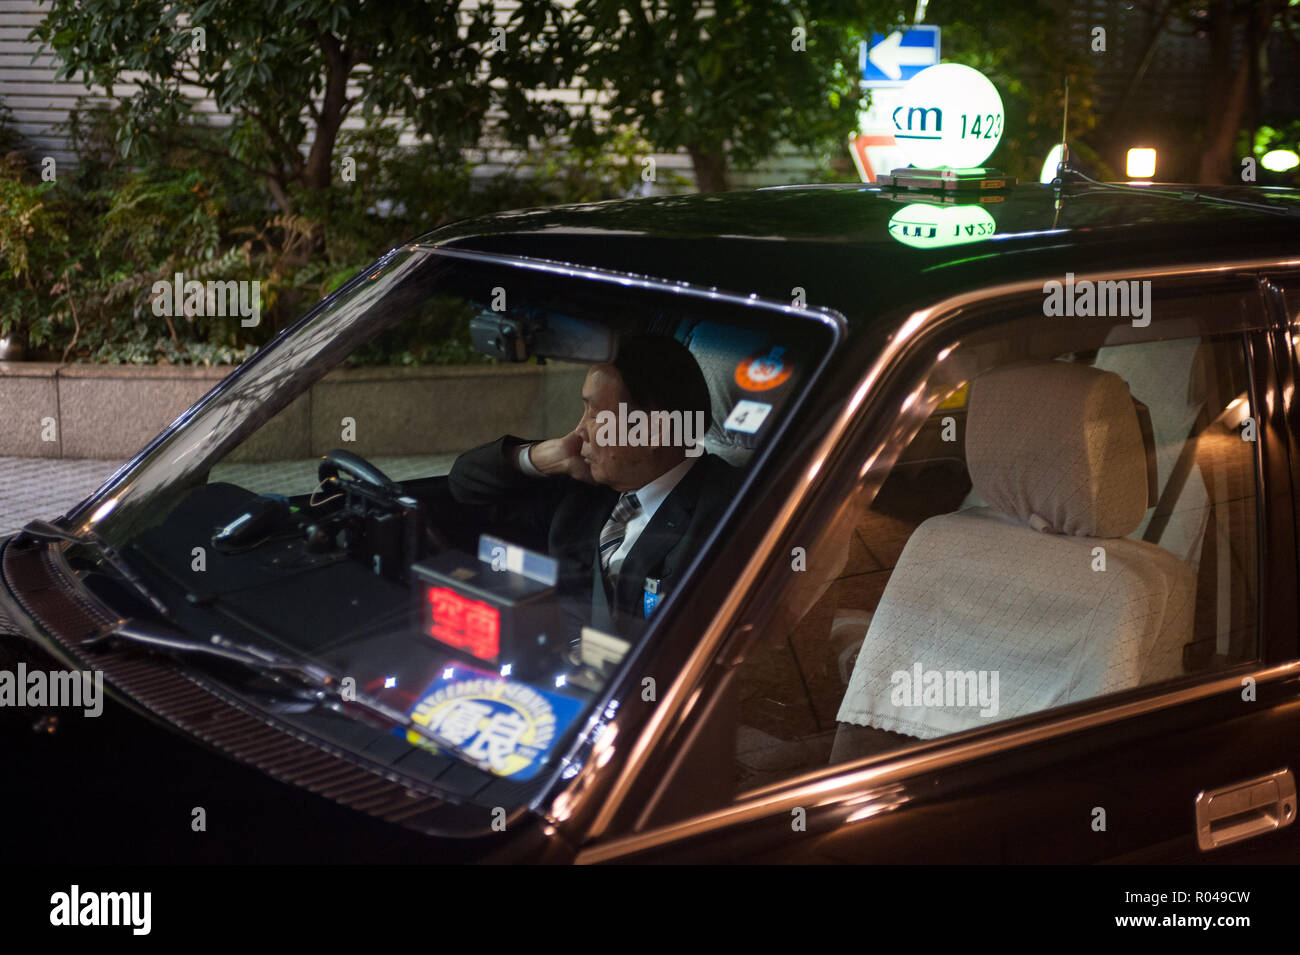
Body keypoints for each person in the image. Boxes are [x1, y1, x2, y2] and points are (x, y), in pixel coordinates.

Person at [448, 334, 740, 641]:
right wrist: (541, 457)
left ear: (653, 432)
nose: (578, 432)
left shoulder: (728, 514)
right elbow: (465, 485)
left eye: (596, 414)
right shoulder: (584, 488)